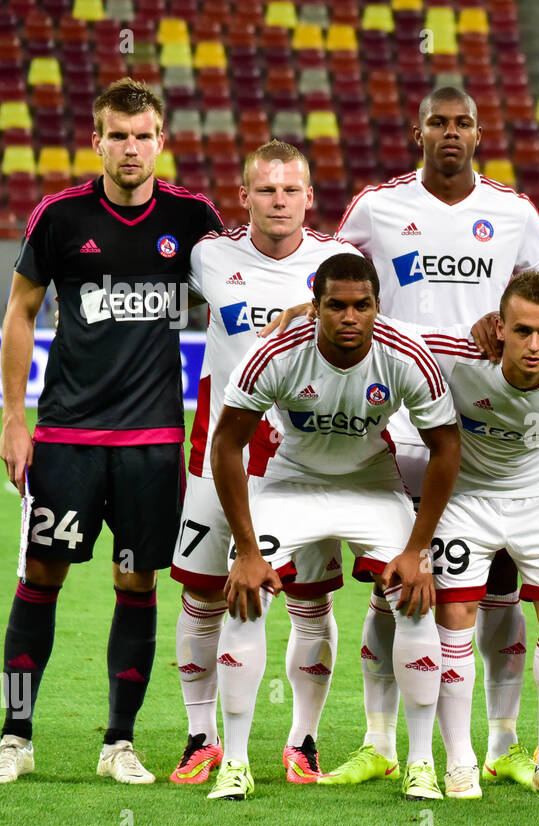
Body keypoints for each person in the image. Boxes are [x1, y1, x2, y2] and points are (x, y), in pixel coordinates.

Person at [0, 78, 221, 786]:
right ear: (98, 141)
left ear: (161, 142)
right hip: (66, 436)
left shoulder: (194, 218)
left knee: (136, 581)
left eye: (143, 135)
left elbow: (234, 300)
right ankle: (16, 736)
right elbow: (20, 312)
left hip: (150, 442)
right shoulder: (59, 217)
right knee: (41, 578)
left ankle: (119, 741)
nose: (131, 148)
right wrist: (14, 418)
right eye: (118, 135)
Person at [321, 86, 539, 790]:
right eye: (438, 123)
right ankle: (378, 741)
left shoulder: (513, 211)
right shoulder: (376, 207)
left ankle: (505, 742)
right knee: (393, 584)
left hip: (488, 426)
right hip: (397, 422)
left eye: (462, 123)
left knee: (500, 588)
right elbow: (331, 279)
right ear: (417, 129)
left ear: (479, 133)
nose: (450, 133)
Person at [207, 252, 459, 801]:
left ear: (376, 306)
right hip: (291, 484)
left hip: (371, 485)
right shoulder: (275, 352)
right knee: (245, 592)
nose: (350, 317)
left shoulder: (404, 356)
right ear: (314, 306)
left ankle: (420, 763)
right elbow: (226, 442)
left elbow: (446, 447)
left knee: (413, 594)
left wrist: (418, 548)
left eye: (361, 306)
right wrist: (247, 550)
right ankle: (236, 760)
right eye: (336, 306)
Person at [168, 141, 360, 786]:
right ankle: (202, 735)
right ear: (243, 196)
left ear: (310, 198)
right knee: (202, 596)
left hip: (307, 460)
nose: (278, 201)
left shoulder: (341, 265)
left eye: (291, 190)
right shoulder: (209, 256)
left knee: (308, 601)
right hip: (218, 453)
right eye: (265, 190)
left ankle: (302, 740)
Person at [422, 272, 539, 797]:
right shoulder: (456, 354)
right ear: (499, 327)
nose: (534, 344)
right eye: (522, 330)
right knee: (454, 617)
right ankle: (459, 760)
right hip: (465, 498)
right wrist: (306, 310)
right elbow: (384, 329)